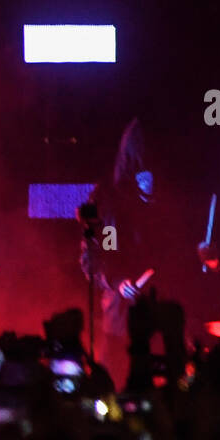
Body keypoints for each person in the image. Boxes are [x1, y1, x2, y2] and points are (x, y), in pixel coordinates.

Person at [79, 117, 196, 383]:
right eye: (142, 169)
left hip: (164, 319)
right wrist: (118, 281)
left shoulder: (171, 200)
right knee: (115, 384)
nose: (149, 177)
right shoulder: (107, 199)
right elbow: (94, 258)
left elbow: (180, 251)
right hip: (121, 321)